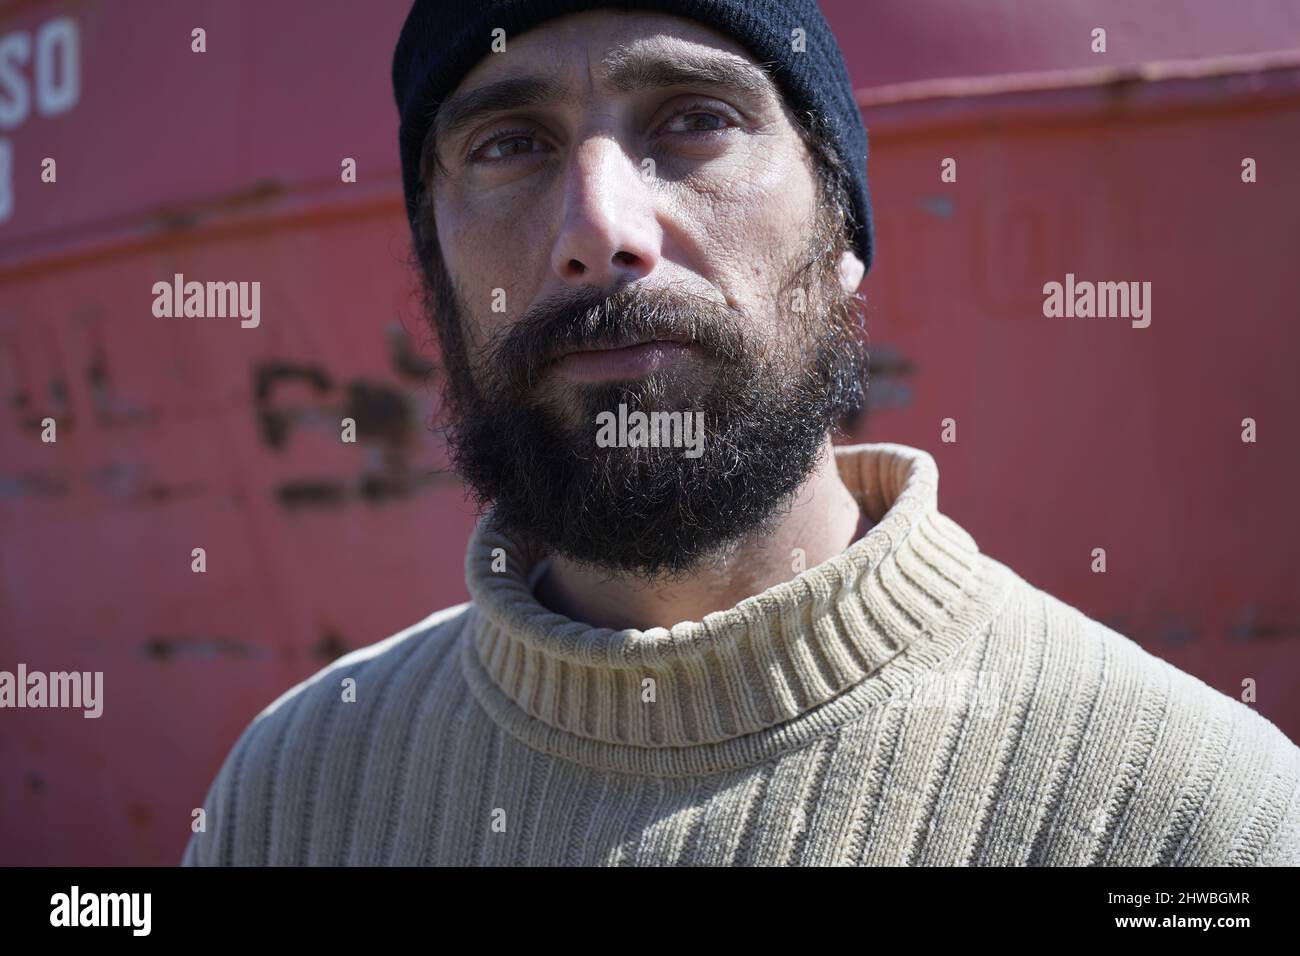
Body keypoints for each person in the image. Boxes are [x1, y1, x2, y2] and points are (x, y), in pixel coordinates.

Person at [183, 0, 1300, 866]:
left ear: (842, 227)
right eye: (507, 144)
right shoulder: (295, 787)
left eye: (695, 119)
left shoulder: (1194, 818)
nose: (601, 230)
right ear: (432, 264)